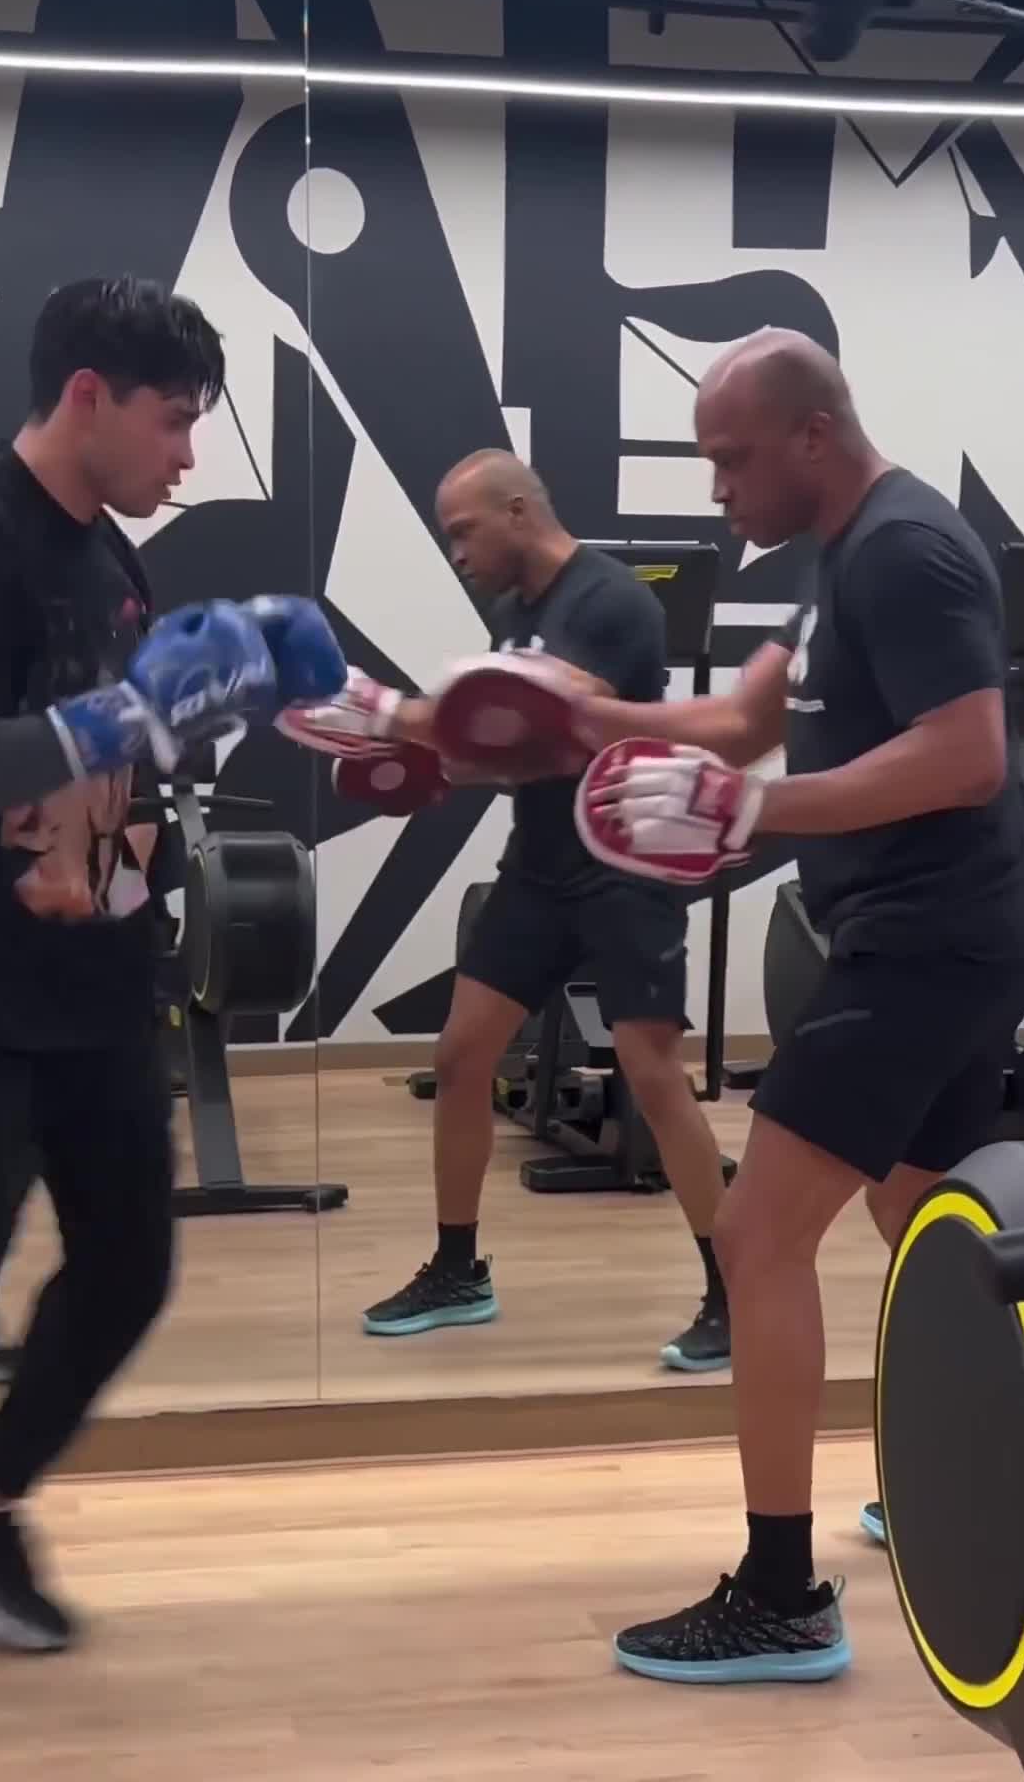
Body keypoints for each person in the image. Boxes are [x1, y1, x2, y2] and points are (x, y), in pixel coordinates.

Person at [572, 329, 1024, 1683]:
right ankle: (974, 1478)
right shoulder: (840, 564)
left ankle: (780, 1597)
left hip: (922, 948)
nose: (715, 489)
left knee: (759, 1240)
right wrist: (571, 714)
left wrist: (758, 813)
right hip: (929, 941)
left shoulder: (904, 549)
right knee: (916, 1213)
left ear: (812, 437)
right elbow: (739, 726)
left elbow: (967, 756)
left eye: (729, 458)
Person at [0, 275, 344, 1654]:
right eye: (174, 426)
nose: (187, 458)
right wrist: (109, 720)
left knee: (127, 1268)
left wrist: (273, 716)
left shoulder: (109, 560)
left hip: (100, 982)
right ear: (85, 401)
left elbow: (124, 742)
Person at [361, 449, 735, 1368]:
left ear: (520, 508)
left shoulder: (615, 602)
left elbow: (570, 721)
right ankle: (458, 1271)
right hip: (539, 866)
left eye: (463, 531)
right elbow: (516, 757)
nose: (456, 552)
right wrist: (441, 769)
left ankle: (737, 1284)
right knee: (459, 1057)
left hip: (623, 863)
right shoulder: (512, 616)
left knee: (651, 1075)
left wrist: (394, 709)